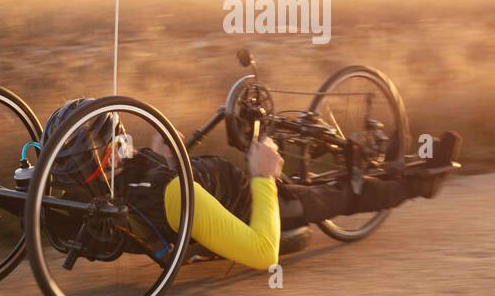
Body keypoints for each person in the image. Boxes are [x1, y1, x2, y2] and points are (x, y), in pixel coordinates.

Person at [42, 98, 460, 271]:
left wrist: (164, 159)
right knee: (341, 194)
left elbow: (149, 194)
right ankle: (424, 182)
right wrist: (263, 177)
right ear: (110, 152)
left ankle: (372, 158)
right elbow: (263, 254)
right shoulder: (170, 196)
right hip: (258, 205)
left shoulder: (112, 195)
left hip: (212, 180)